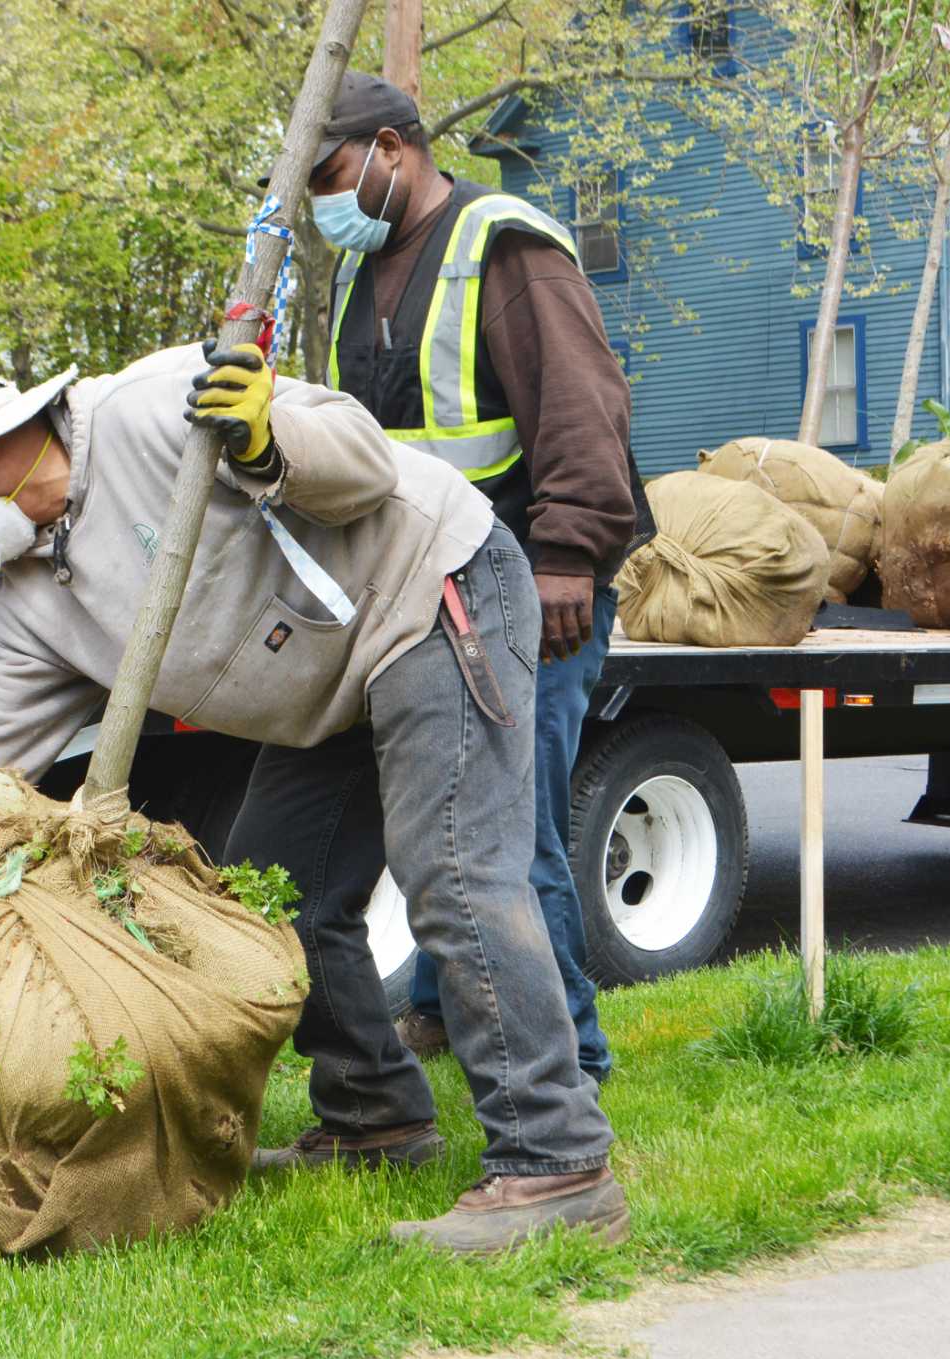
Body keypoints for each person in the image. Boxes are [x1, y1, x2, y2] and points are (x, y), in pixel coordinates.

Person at [0, 339, 628, 1254]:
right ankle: (375, 1120)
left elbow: (364, 455)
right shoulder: (31, 601)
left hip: (427, 591)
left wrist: (272, 445)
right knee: (269, 892)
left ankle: (557, 1160)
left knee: (456, 873)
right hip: (325, 686)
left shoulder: (157, 411)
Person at [288, 72, 654, 1083]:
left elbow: (582, 403)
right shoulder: (365, 278)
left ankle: (568, 1060)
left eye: (330, 176)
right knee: (438, 823)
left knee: (508, 829)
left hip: (533, 584)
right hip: (427, 588)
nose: (322, 203)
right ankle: (444, 1012)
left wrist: (568, 556)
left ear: (394, 149)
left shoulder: (501, 245)